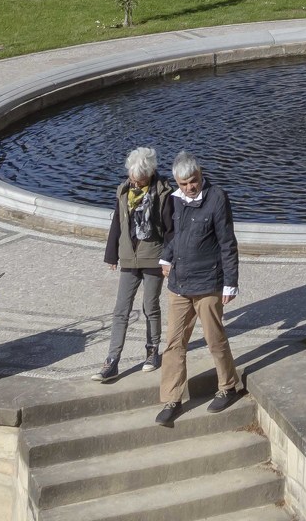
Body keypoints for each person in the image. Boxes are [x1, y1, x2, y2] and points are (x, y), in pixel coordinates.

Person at [153, 152, 243, 423]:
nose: (189, 188)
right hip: (179, 283)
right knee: (173, 343)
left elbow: (227, 242)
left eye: (192, 181)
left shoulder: (217, 198)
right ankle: (172, 398)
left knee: (214, 339)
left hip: (208, 283)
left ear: (200, 174)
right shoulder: (175, 200)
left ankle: (227, 387)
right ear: (176, 182)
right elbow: (176, 235)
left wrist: (230, 283)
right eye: (183, 184)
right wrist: (166, 255)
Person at [98, 147, 171, 383]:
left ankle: (152, 350)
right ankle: (112, 360)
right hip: (129, 257)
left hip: (153, 256)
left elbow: (171, 229)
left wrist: (169, 259)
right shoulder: (123, 191)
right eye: (132, 177)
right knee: (121, 309)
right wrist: (112, 255)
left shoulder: (163, 192)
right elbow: (117, 223)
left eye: (139, 179)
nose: (135, 183)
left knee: (150, 306)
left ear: (149, 174)